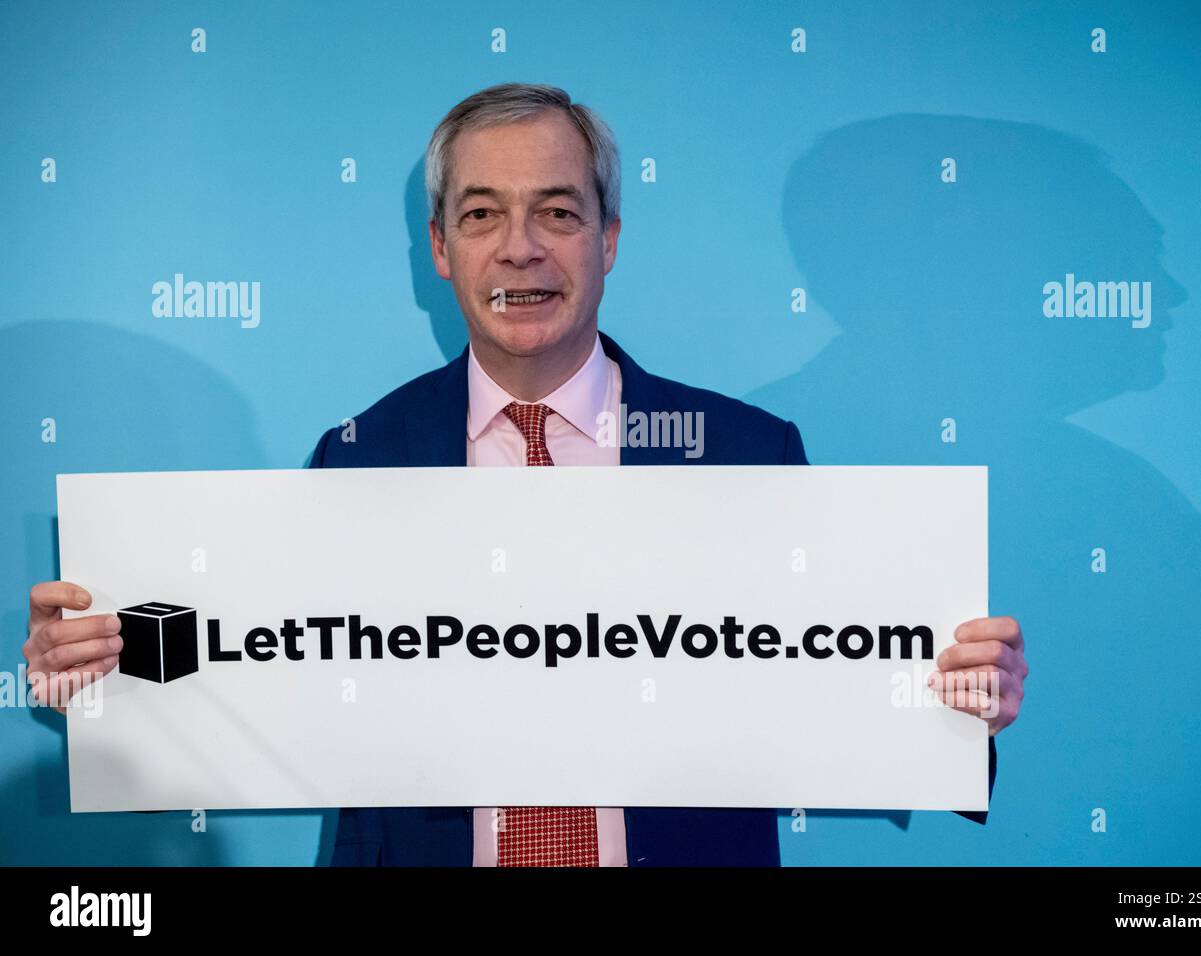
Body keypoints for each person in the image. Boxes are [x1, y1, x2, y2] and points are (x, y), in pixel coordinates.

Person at [24, 82, 1028, 866]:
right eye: (480, 215)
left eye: (556, 210)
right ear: (439, 249)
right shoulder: (358, 452)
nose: (520, 247)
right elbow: (265, 668)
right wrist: (105, 681)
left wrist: (949, 701)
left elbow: (835, 682)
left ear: (609, 240)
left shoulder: (744, 452)